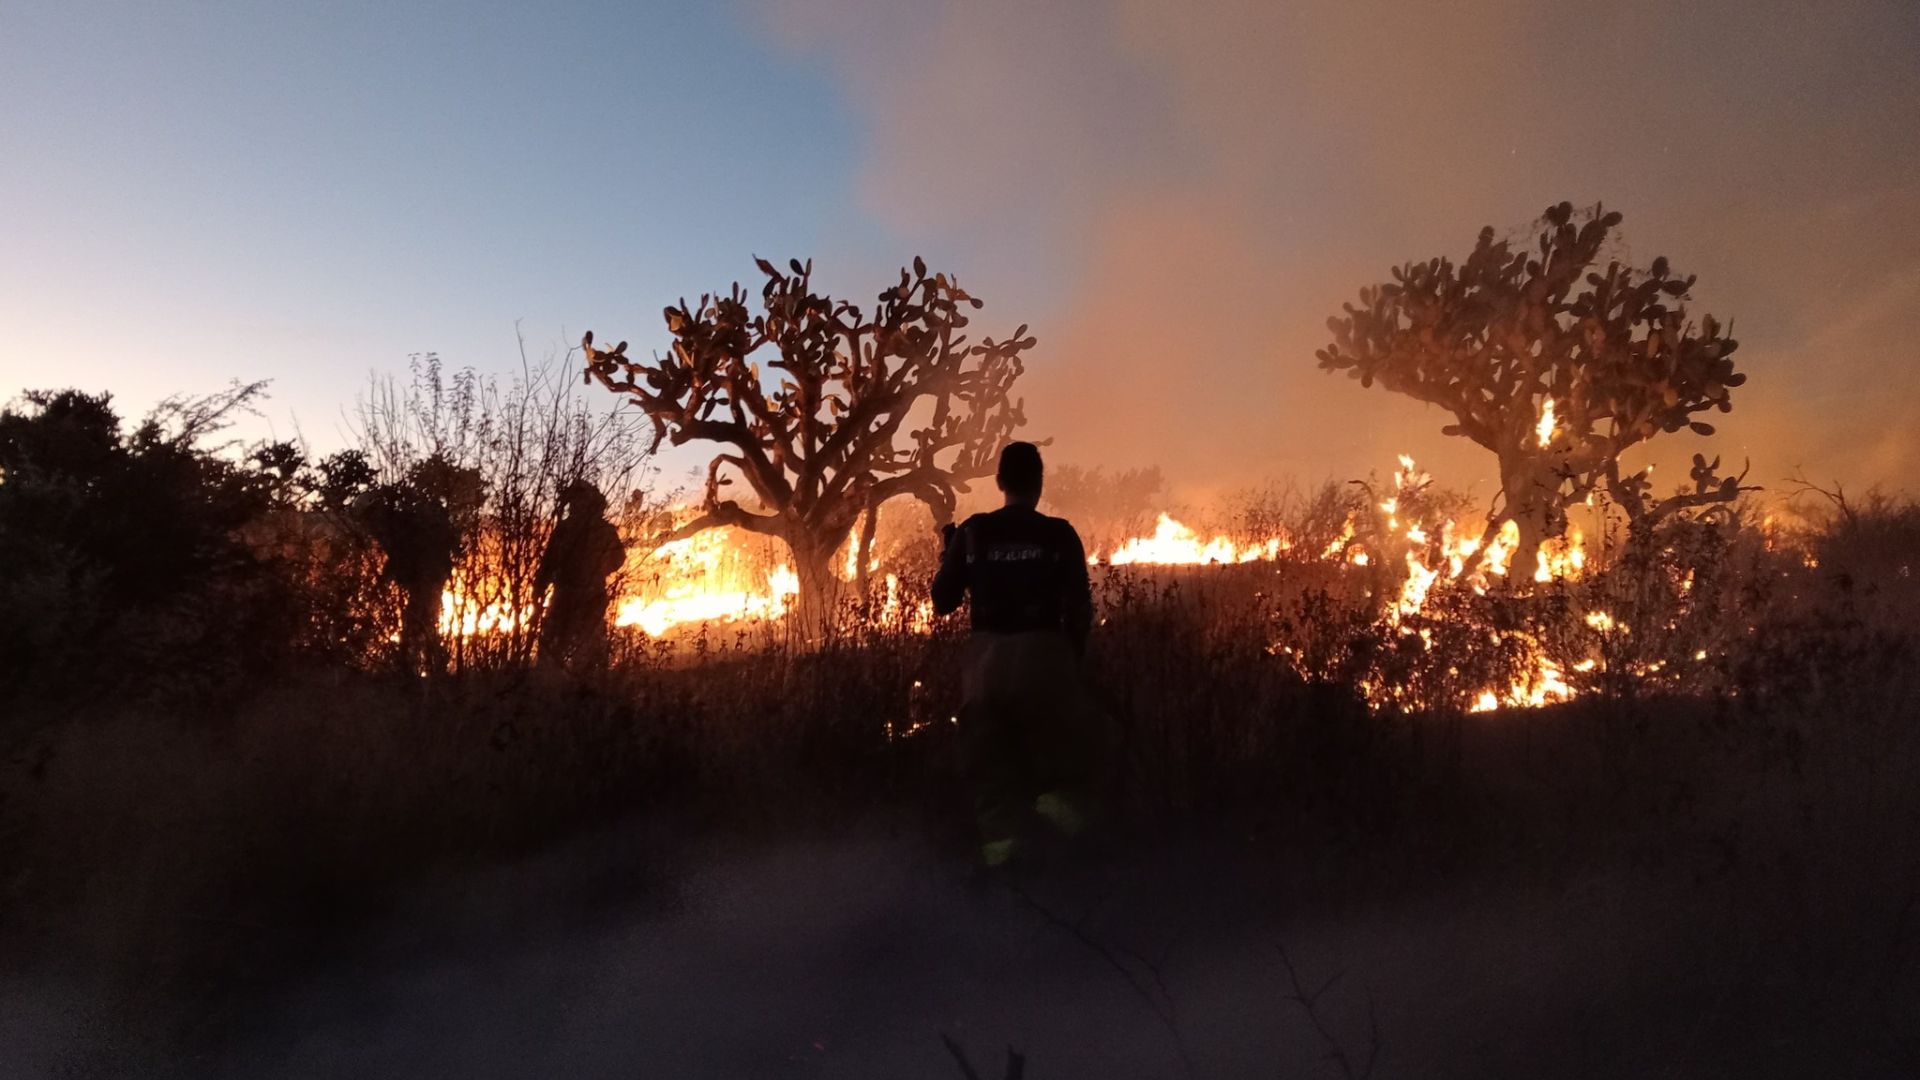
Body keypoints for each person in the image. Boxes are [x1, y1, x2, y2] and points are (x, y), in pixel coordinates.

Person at [932, 441, 1098, 868]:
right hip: (1046, 662)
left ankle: (1004, 877)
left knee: (991, 777)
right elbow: (1080, 609)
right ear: (1039, 485)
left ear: (1000, 481)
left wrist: (949, 551)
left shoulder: (973, 532)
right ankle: (1070, 862)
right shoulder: (1059, 534)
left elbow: (942, 600)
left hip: (986, 668)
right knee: (1069, 770)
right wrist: (1072, 665)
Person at [536, 480, 626, 669]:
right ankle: (555, 681)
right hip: (567, 593)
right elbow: (549, 561)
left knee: (588, 642)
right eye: (573, 500)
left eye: (579, 499)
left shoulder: (602, 530)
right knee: (555, 641)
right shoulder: (565, 529)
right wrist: (540, 586)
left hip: (589, 596)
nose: (575, 504)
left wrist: (599, 569)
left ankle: (586, 682)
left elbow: (618, 557)